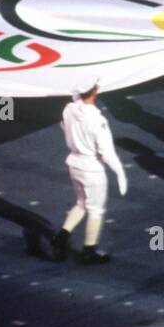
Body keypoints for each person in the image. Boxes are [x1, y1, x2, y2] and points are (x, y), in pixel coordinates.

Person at [50, 77, 128, 265]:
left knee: (81, 202)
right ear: (95, 92)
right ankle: (88, 251)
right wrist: (119, 172)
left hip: (74, 162)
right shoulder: (97, 120)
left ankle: (60, 237)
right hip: (91, 168)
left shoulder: (69, 109)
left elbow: (66, 121)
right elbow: (107, 152)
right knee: (96, 210)